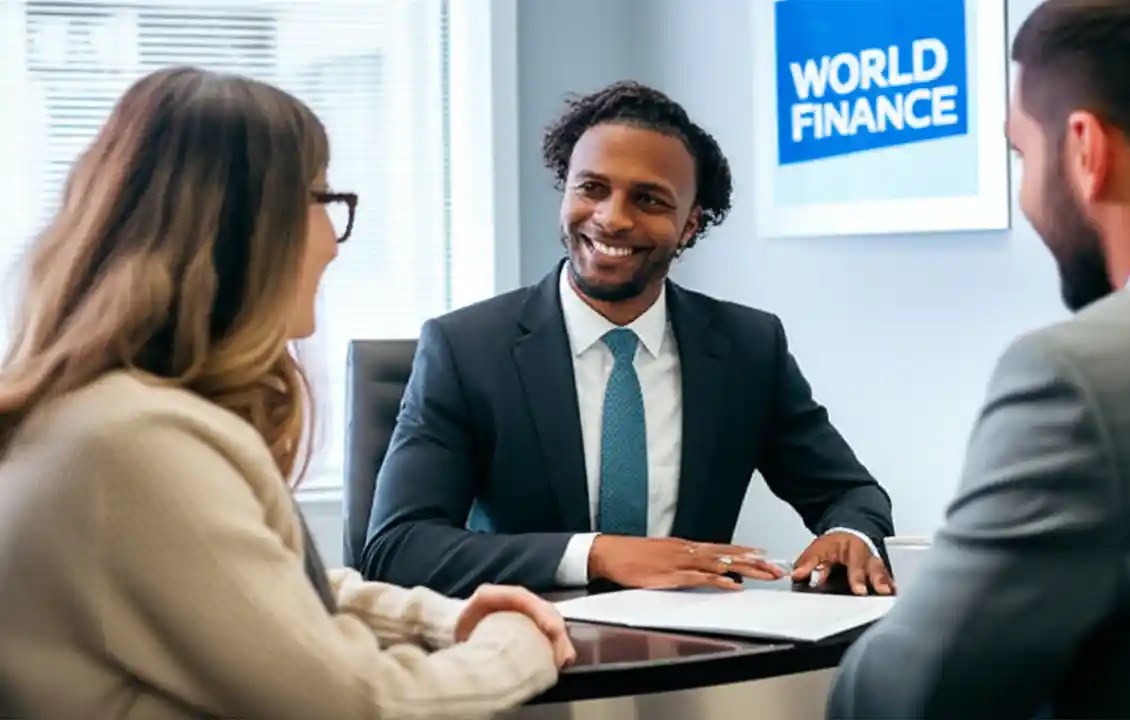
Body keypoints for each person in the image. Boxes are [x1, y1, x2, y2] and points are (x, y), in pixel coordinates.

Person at [0, 67, 573, 720]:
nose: (333, 242)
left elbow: (255, 590)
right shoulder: (131, 446)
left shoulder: (89, 419)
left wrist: (442, 617)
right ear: (242, 226)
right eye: (323, 200)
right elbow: (360, 703)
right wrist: (515, 647)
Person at [828, 1, 1130, 718]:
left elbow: (906, 699)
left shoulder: (1085, 377)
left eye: (1020, 154)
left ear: (1085, 150)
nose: (1026, 188)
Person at [362, 81, 895, 598]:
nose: (612, 219)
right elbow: (398, 546)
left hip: (697, 656)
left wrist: (849, 535)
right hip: (527, 654)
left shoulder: (748, 347)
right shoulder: (466, 349)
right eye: (591, 188)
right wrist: (596, 553)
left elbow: (850, 492)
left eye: (649, 200)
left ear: (690, 225)